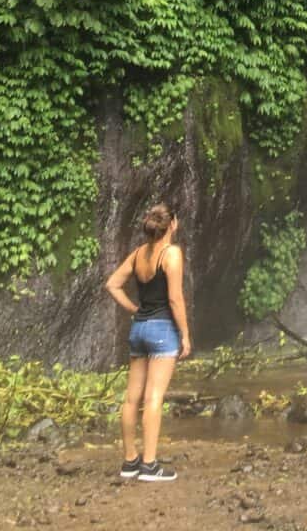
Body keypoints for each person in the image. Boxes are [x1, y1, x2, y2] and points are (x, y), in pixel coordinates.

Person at [104, 202, 192, 482]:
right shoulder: (172, 253)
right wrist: (185, 334)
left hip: (139, 329)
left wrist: (134, 309)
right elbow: (175, 299)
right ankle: (150, 466)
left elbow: (112, 284)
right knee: (154, 398)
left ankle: (130, 461)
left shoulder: (138, 253)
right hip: (162, 330)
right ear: (173, 224)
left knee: (132, 398)